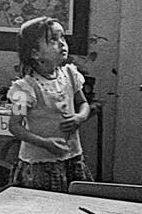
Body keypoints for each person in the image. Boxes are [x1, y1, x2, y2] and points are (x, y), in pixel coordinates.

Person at [6, 17, 94, 192]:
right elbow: (14, 126)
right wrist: (45, 143)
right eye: (53, 40)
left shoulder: (70, 75)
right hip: (40, 165)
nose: (62, 43)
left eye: (62, 38)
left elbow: (83, 103)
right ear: (35, 54)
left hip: (72, 157)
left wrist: (79, 117)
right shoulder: (24, 88)